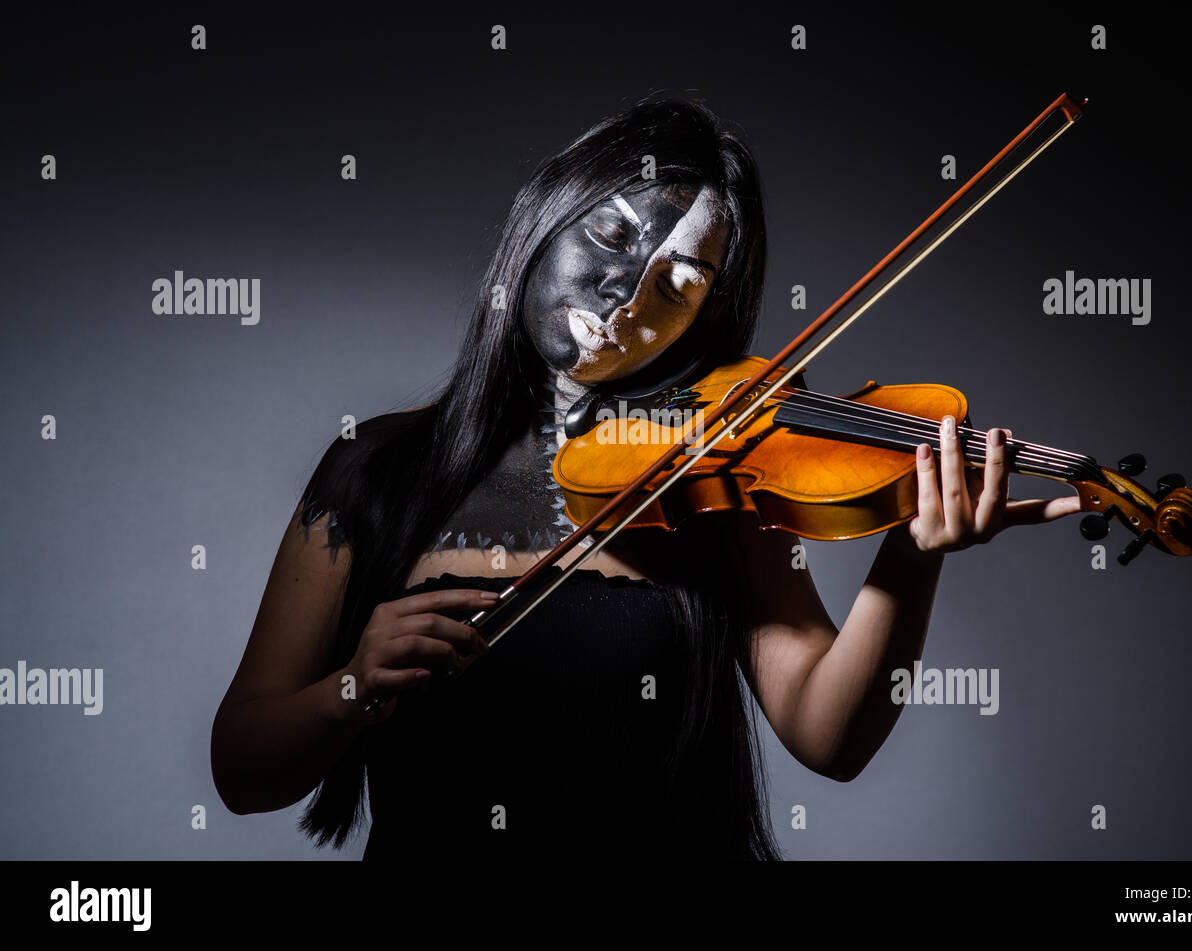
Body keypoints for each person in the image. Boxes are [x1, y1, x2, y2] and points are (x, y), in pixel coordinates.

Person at [209, 97, 1080, 861]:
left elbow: (828, 732)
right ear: (543, 218)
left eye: (681, 281)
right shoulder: (375, 472)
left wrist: (912, 549)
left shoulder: (714, 475)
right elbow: (244, 768)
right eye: (613, 235)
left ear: (702, 319)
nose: (630, 292)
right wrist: (353, 684)